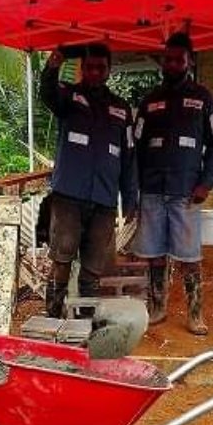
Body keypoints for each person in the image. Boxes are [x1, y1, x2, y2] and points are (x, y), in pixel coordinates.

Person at [131, 31, 213, 334]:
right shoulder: (149, 101)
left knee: (189, 256)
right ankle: (158, 307)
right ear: (162, 62)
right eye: (168, 59)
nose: (172, 64)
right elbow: (135, 145)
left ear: (188, 61)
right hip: (153, 190)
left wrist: (206, 183)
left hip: (186, 192)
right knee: (154, 254)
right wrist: (135, 187)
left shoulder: (202, 99)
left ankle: (194, 314)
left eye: (179, 59)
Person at [39, 42, 139, 317]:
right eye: (90, 67)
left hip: (104, 201)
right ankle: (53, 316)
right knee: (61, 259)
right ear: (83, 69)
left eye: (101, 68)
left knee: (93, 269)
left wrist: (130, 200)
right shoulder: (69, 98)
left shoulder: (121, 109)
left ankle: (84, 324)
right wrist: (51, 68)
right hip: (68, 198)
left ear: (109, 70)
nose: (95, 72)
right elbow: (47, 94)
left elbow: (129, 158)